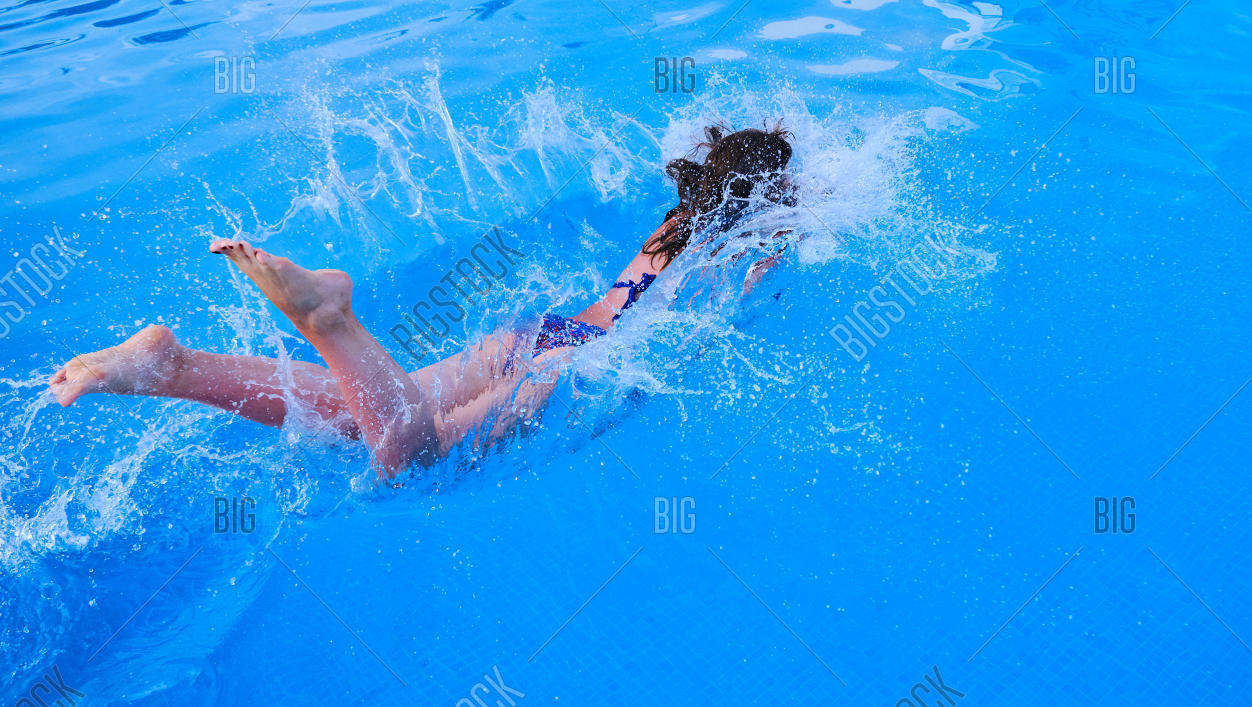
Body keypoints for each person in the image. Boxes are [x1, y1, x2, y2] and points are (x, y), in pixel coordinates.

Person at [49, 124, 795, 478]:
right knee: (409, 455)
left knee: (357, 415)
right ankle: (329, 323)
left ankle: (175, 368)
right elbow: (700, 331)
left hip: (541, 334)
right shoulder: (741, 263)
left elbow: (632, 293)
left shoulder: (673, 229)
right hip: (577, 369)